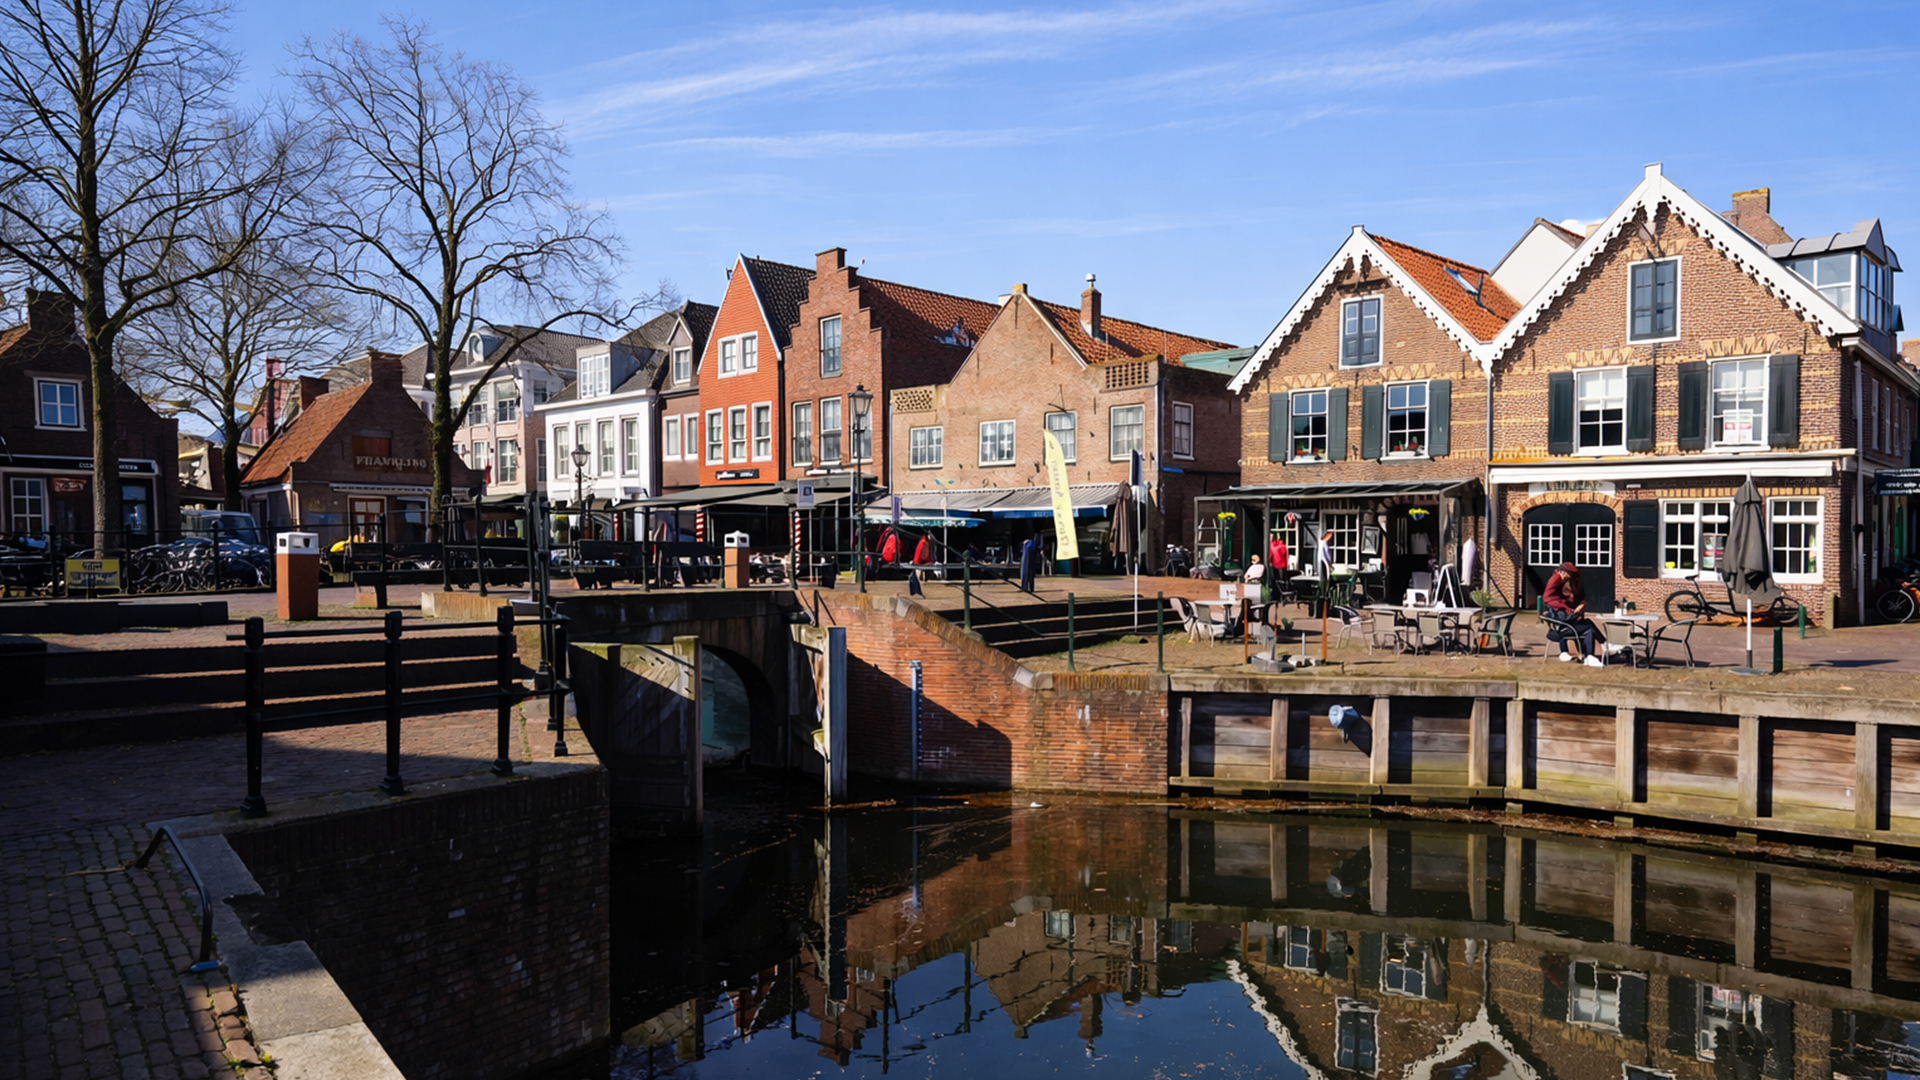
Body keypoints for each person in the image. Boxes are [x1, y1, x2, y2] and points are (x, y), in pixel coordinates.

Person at [1544, 561, 1604, 668]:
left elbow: (1571, 598)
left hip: (1564, 621)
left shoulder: (1564, 581)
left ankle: (1601, 646)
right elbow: (1548, 598)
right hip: (1563, 623)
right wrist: (1568, 609)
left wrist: (1577, 608)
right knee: (1588, 629)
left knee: (1587, 623)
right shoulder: (1557, 579)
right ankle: (1590, 656)